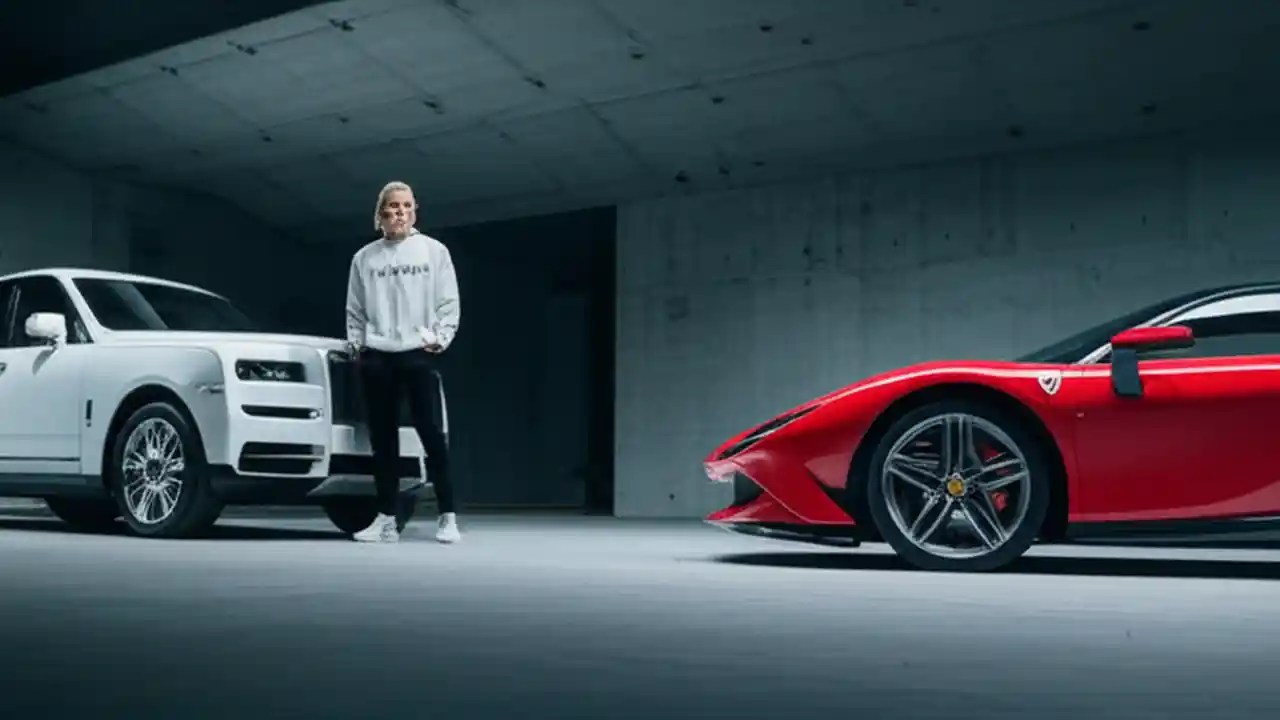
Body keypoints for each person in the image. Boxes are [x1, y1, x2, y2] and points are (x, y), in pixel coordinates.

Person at [344, 180, 461, 544]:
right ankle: (386, 521)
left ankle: (448, 517)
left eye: (407, 206)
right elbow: (355, 309)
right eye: (393, 207)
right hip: (378, 357)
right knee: (383, 441)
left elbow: (448, 301)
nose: (400, 212)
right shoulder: (364, 258)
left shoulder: (433, 251)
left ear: (415, 211)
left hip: (417, 354)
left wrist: (439, 339)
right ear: (381, 215)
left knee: (431, 434)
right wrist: (358, 347)